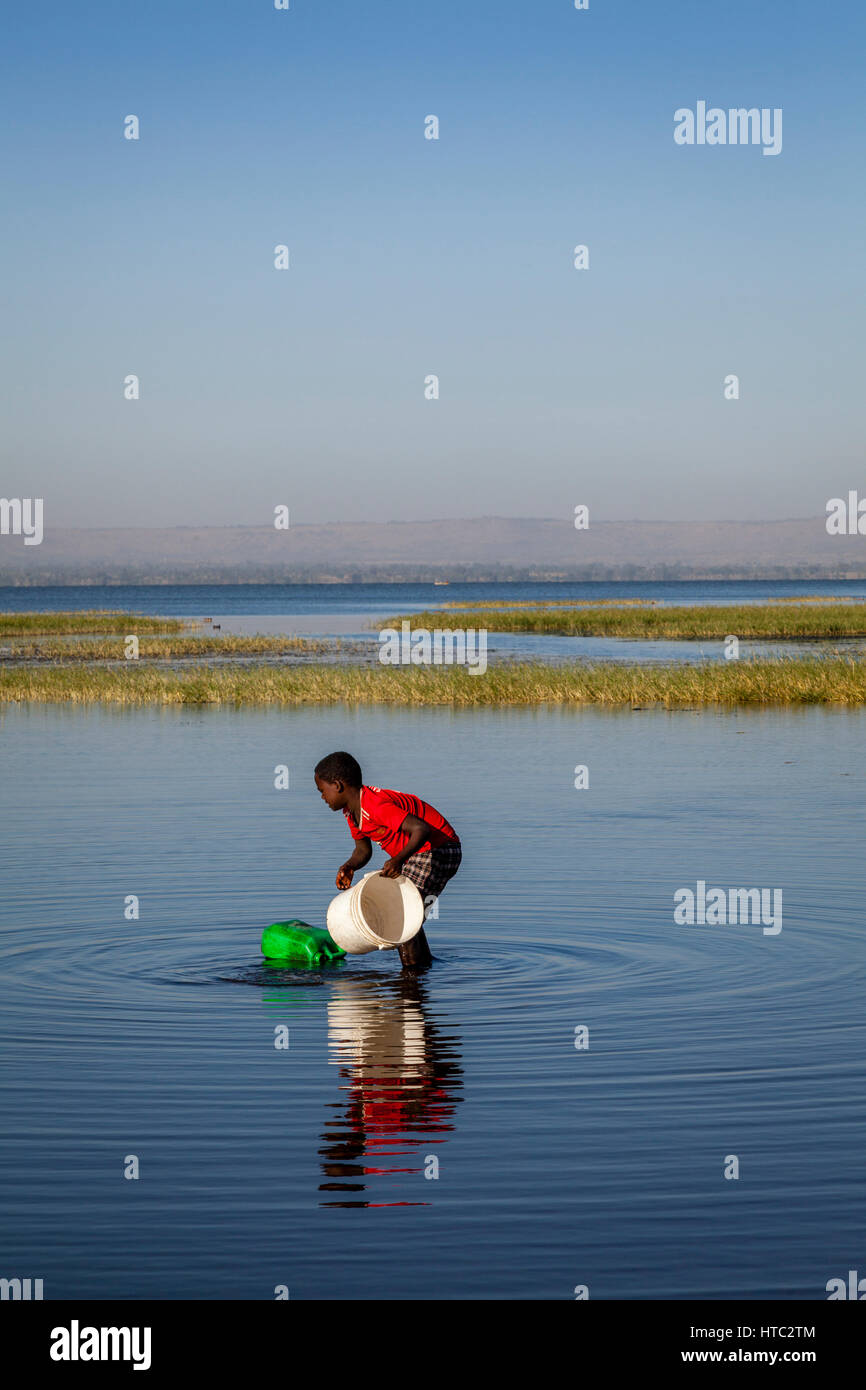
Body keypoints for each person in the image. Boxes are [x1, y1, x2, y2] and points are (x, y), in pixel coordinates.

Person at [314, 751, 461, 969]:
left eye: (322, 790)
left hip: (438, 848)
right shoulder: (352, 812)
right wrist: (349, 866)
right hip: (418, 853)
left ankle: (412, 975)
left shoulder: (373, 805)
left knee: (400, 914)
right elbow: (363, 851)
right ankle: (420, 969)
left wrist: (398, 860)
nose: (322, 797)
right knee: (407, 915)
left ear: (337, 785)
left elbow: (421, 829)